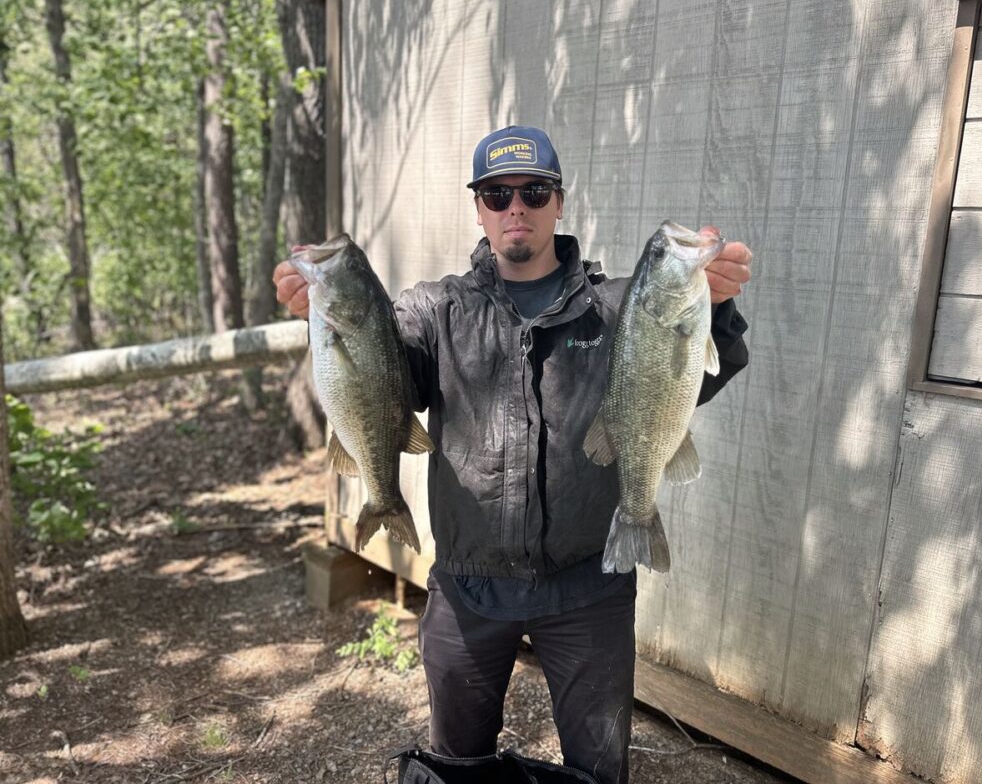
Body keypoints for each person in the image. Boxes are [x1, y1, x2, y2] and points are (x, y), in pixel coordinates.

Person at [273, 125, 752, 784]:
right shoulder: (433, 310)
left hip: (590, 585)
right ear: (479, 209)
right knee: (456, 765)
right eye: (497, 194)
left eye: (533, 190)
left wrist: (717, 307)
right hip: (467, 586)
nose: (515, 207)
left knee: (598, 770)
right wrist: (326, 312)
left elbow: (694, 376)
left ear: (559, 201)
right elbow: (388, 375)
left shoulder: (618, 310)